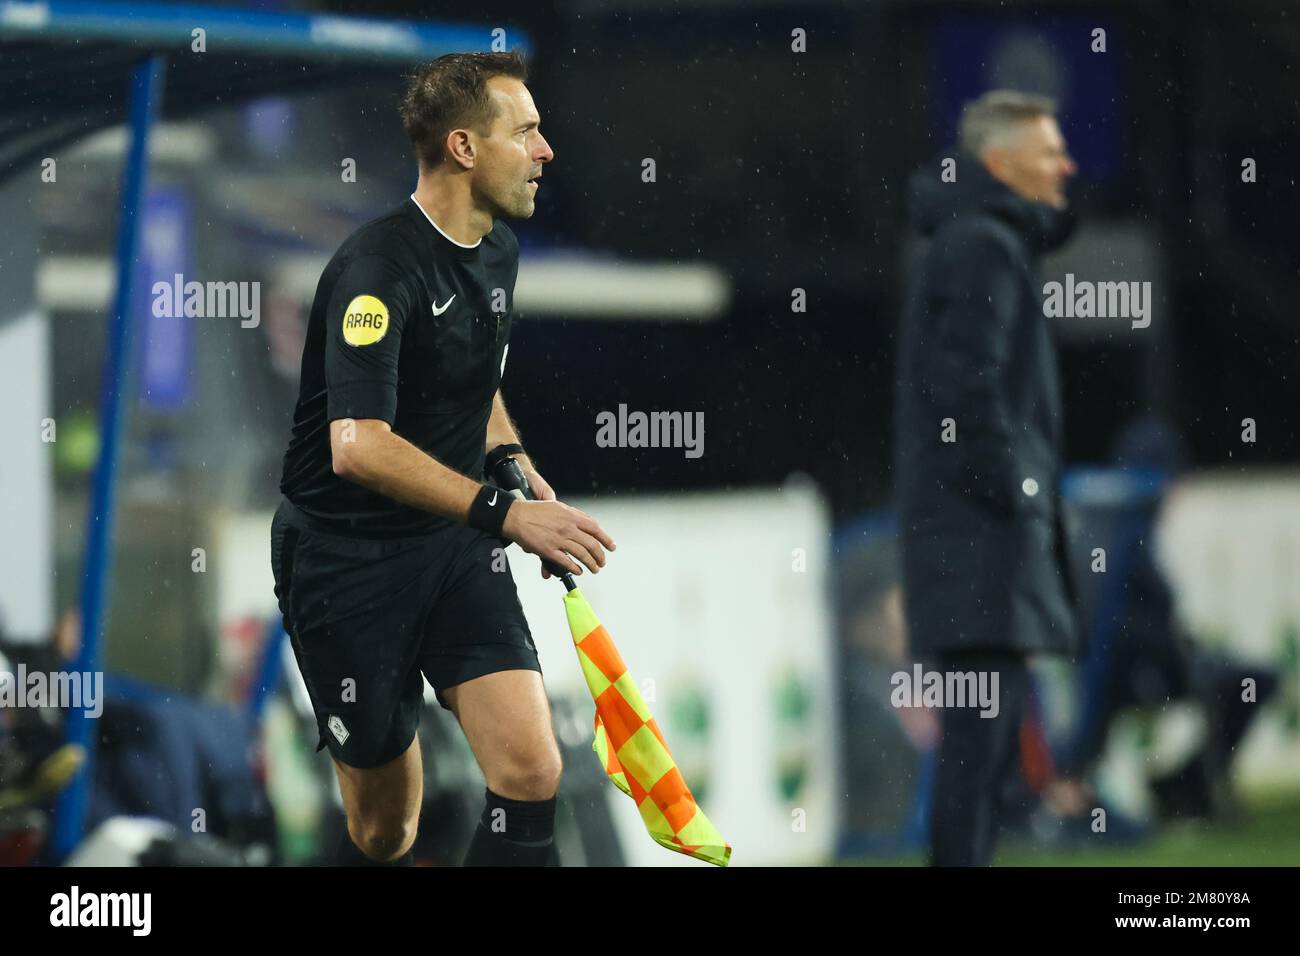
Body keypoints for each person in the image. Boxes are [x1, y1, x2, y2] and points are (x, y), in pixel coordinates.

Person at [271, 51, 616, 867]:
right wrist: (507, 515)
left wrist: (510, 455)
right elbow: (357, 447)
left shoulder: (497, 252)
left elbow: (473, 382)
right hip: (346, 562)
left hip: (453, 547)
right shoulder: (376, 269)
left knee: (533, 768)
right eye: (525, 132)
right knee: (386, 833)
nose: (546, 151)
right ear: (464, 148)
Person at [893, 90, 1079, 866]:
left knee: (985, 755)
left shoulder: (980, 240)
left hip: (974, 542)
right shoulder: (983, 245)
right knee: (978, 756)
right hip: (978, 547)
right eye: (1048, 152)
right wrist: (1024, 494)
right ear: (1000, 164)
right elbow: (966, 398)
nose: (1066, 165)